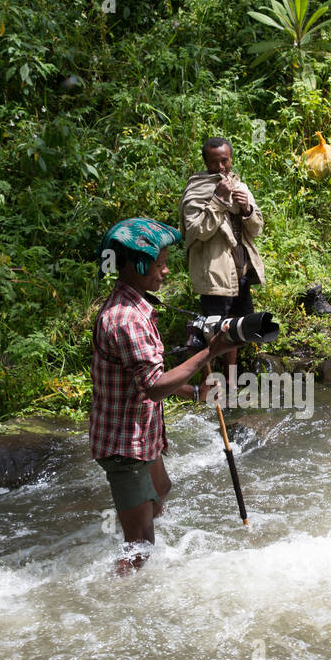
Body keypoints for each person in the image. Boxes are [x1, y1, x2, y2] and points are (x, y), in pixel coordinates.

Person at [90, 217, 232, 574]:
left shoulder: (138, 307)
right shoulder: (126, 319)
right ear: (137, 265)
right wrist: (210, 352)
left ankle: (138, 553)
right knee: (139, 545)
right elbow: (152, 385)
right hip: (125, 445)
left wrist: (196, 393)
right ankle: (118, 600)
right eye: (159, 263)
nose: (166, 271)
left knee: (161, 492)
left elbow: (146, 380)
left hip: (140, 437)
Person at [179, 137, 265, 378]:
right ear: (205, 161)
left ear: (231, 159)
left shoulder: (240, 186)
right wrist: (217, 200)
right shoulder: (197, 189)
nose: (220, 167)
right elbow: (197, 231)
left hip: (240, 270)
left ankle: (231, 379)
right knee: (213, 330)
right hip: (215, 273)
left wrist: (247, 209)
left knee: (237, 327)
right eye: (214, 162)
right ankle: (208, 384)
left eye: (224, 161)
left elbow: (256, 229)